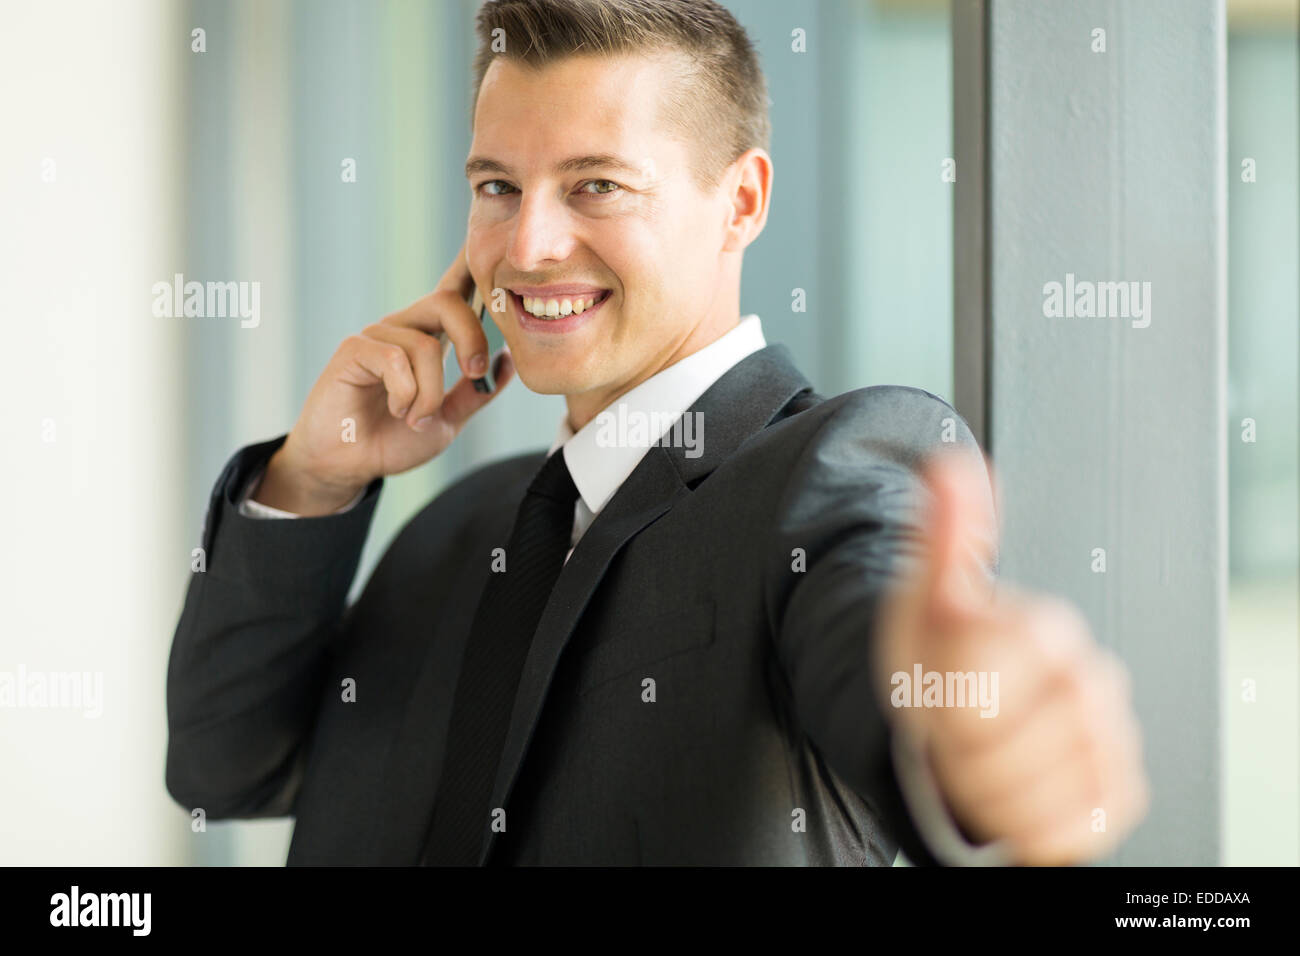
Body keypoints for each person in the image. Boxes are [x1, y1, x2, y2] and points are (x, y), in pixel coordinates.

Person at [165, 0, 1148, 866]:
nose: (529, 245)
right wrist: (312, 482)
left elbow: (884, 658)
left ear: (742, 201)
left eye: (597, 184)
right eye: (497, 186)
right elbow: (222, 765)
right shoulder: (453, 527)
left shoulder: (834, 466)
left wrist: (963, 727)